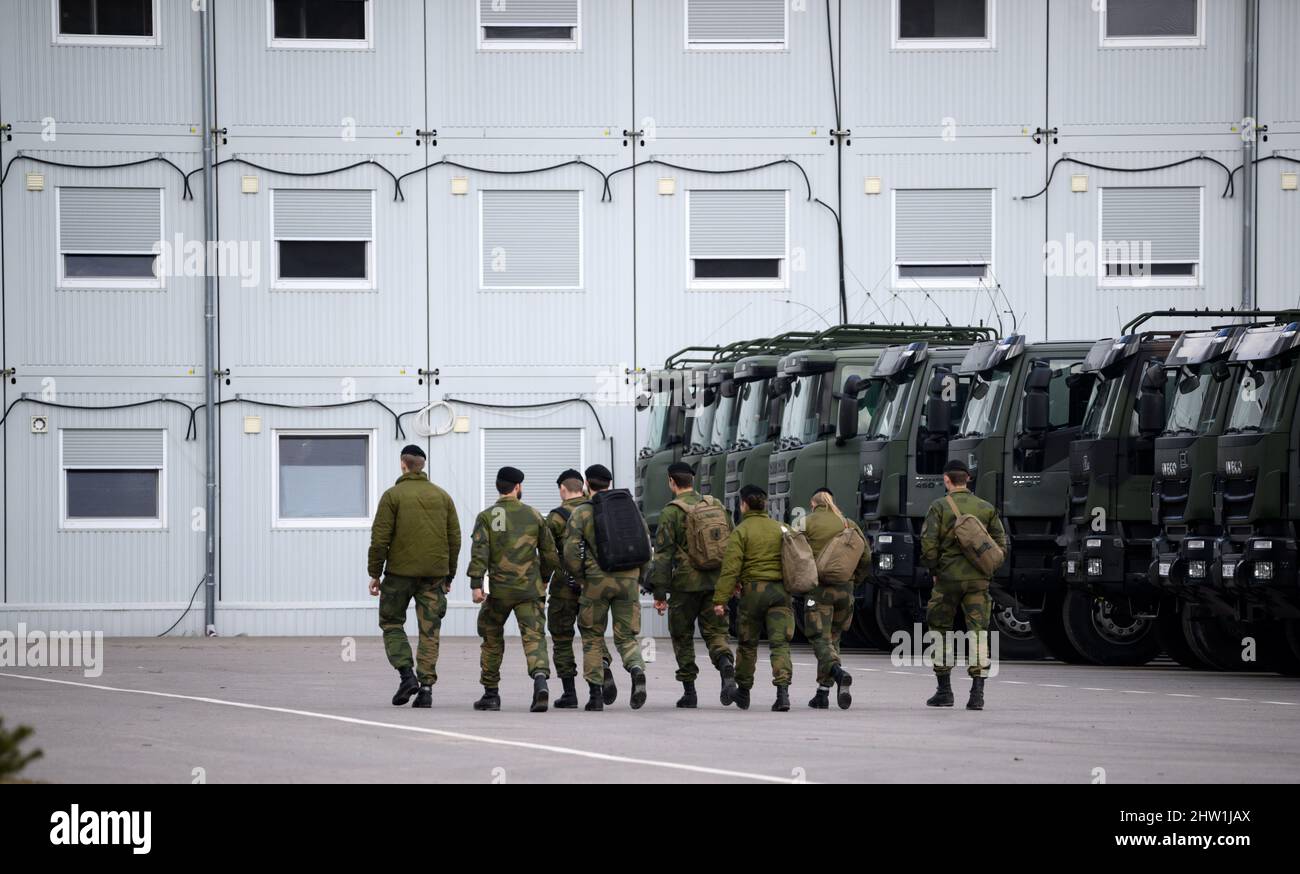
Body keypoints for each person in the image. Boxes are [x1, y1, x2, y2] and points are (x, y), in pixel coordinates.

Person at [368, 444, 460, 709]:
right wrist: (449, 575)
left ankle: (407, 676)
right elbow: (455, 538)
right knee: (429, 631)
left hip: (398, 575)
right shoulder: (442, 497)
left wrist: (375, 573)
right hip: (434, 575)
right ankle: (427, 689)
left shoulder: (392, 496)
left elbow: (380, 539)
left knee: (391, 622)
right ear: (423, 465)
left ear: (402, 464)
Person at [468, 466, 559, 712]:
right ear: (518, 487)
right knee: (534, 637)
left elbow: (479, 553)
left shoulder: (487, 516)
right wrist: (544, 578)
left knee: (491, 637)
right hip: (530, 590)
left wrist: (476, 584)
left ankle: (491, 694)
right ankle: (540, 681)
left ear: (499, 487)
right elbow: (550, 553)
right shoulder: (533, 515)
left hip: (499, 592)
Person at [919, 459, 1008, 711]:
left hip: (947, 580)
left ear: (947, 480)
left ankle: (944, 690)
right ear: (967, 479)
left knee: (940, 629)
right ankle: (977, 693)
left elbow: (928, 545)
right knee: (978, 631)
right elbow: (1001, 544)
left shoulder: (939, 507)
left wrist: (935, 570)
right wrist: (987, 568)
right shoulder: (986, 508)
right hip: (978, 581)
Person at [563, 464, 650, 711]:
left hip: (596, 582)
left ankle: (596, 695)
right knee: (626, 636)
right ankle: (636, 670)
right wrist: (640, 577)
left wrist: (580, 577)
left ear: (588, 485)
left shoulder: (582, 513)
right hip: (629, 581)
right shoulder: (630, 510)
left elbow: (570, 552)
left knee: (592, 635)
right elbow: (645, 547)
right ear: (609, 484)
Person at [650, 461, 736, 708]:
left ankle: (690, 692)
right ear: (692, 481)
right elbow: (730, 546)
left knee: (682, 635)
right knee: (717, 632)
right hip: (716, 582)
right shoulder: (715, 505)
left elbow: (663, 556)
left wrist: (659, 592)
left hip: (685, 585)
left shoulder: (671, 512)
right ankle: (725, 665)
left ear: (671, 482)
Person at [712, 485, 793, 712]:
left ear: (743, 505)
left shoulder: (741, 531)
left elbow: (730, 569)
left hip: (753, 593)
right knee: (780, 644)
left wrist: (720, 600)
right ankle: (783, 693)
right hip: (780, 593)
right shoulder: (782, 528)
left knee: (748, 644)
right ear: (765, 505)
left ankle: (744, 692)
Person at [545, 469, 617, 709]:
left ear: (563, 489)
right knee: (593, 635)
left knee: (562, 638)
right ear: (583, 486)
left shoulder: (556, 517)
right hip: (595, 585)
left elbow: (547, 554)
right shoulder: (597, 509)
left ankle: (569, 693)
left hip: (564, 588)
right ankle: (602, 671)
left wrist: (544, 579)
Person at [801, 488, 872, 710]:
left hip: (819, 590)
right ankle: (822, 694)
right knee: (834, 639)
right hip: (845, 591)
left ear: (813, 504)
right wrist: (853, 581)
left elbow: (792, 553)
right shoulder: (848, 523)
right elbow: (866, 555)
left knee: (819, 638)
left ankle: (838, 673)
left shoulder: (805, 522)